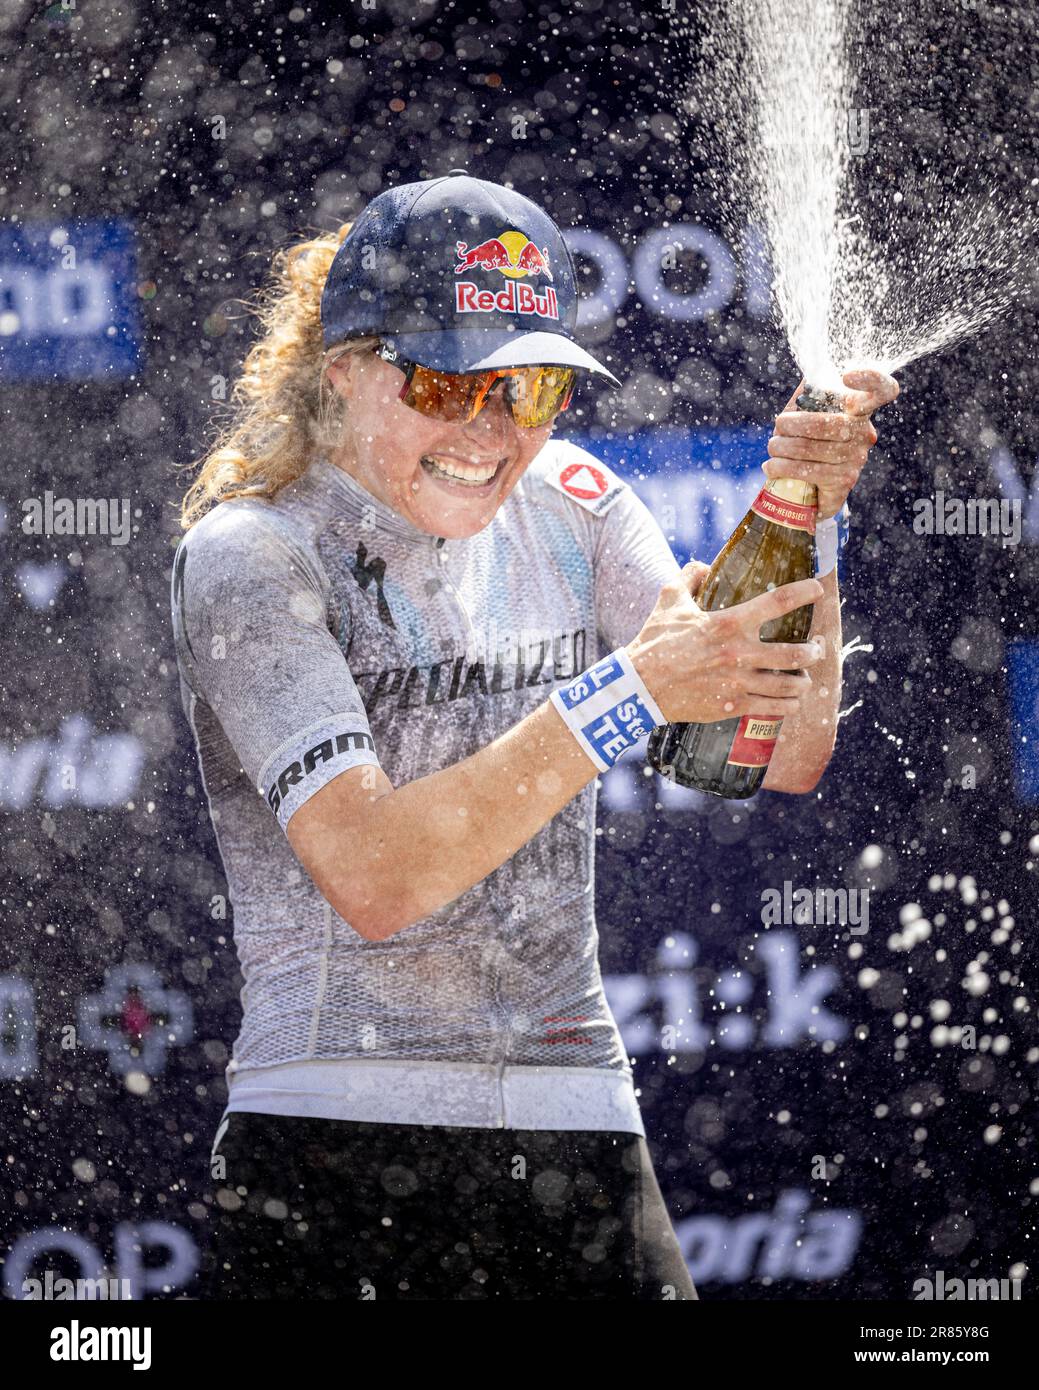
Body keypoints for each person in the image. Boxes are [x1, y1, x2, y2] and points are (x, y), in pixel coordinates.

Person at [171, 171, 898, 1300]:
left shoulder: (577, 499)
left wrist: (800, 511)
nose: (485, 429)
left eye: (528, 386)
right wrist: (626, 692)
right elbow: (374, 872)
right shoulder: (251, 554)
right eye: (439, 381)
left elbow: (768, 748)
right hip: (332, 1139)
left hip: (581, 1129)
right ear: (342, 374)